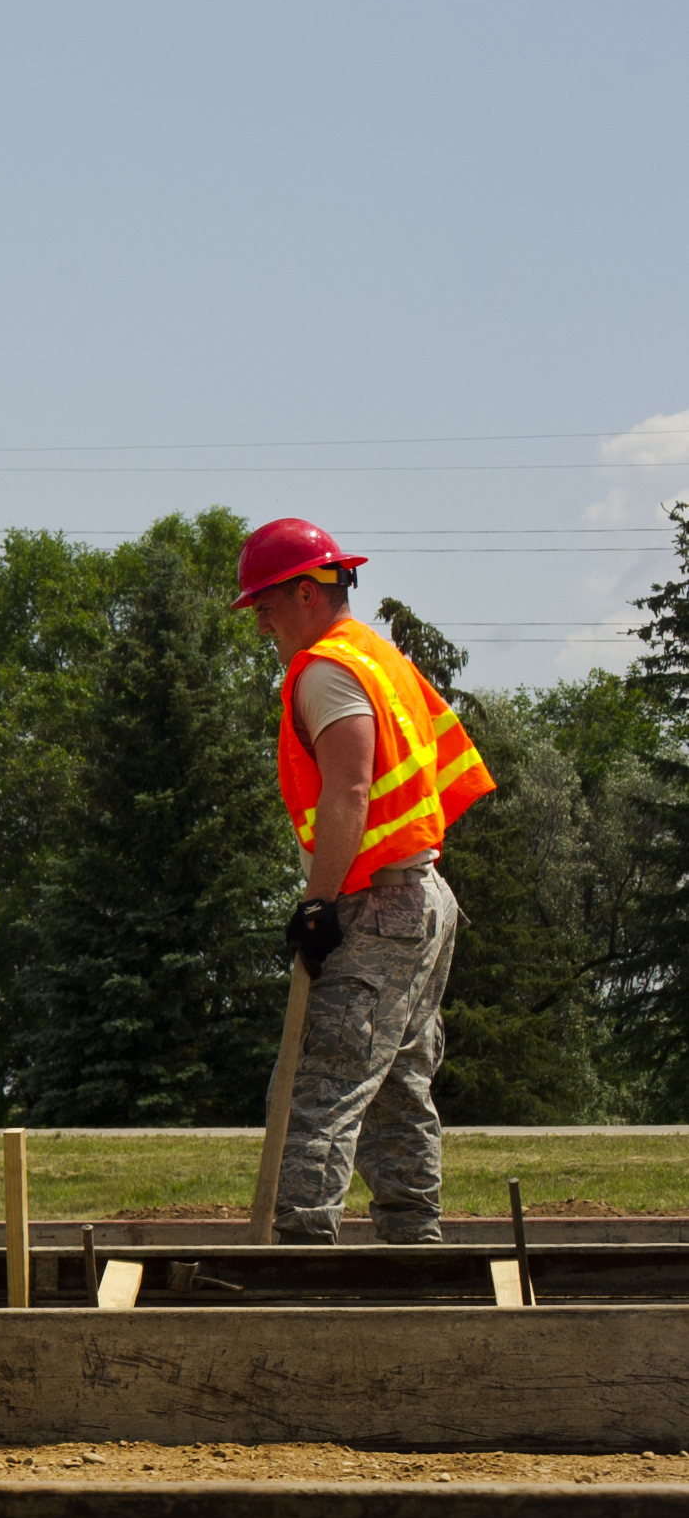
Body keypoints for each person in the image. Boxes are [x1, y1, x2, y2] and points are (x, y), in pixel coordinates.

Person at [235, 518, 493, 1243]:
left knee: (319, 1083)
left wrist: (317, 905)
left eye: (266, 605)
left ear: (310, 593)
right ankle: (412, 1245)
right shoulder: (380, 659)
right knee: (398, 1086)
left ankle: (298, 1248)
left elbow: (347, 793)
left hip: (377, 904)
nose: (261, 623)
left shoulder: (324, 669)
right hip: (423, 899)